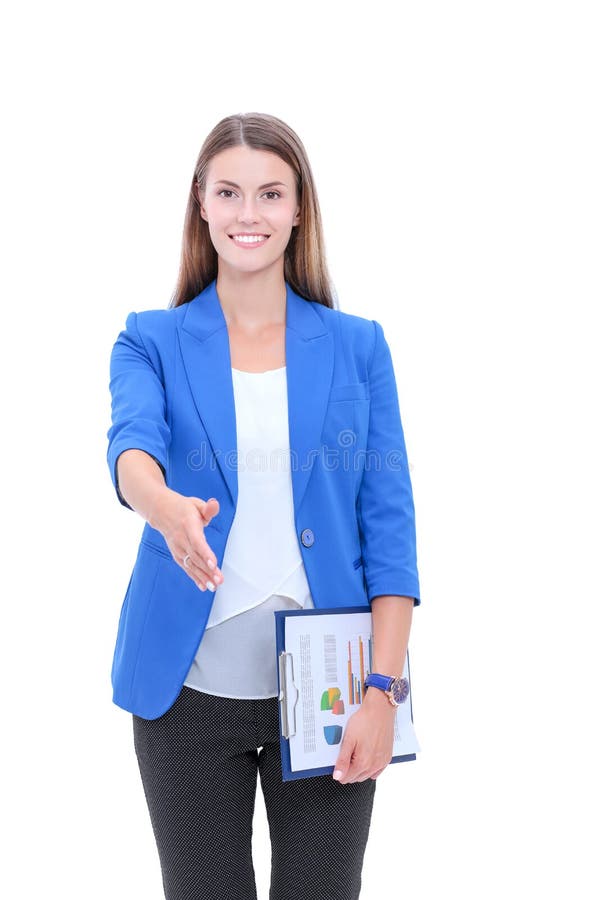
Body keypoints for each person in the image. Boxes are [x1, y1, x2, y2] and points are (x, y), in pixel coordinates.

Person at [106, 111, 421, 900]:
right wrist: (165, 507)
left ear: (299, 207)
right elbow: (131, 449)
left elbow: (390, 530)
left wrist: (384, 694)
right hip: (185, 694)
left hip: (331, 694)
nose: (249, 213)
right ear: (201, 203)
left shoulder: (358, 347)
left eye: (270, 194)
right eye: (229, 193)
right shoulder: (150, 340)